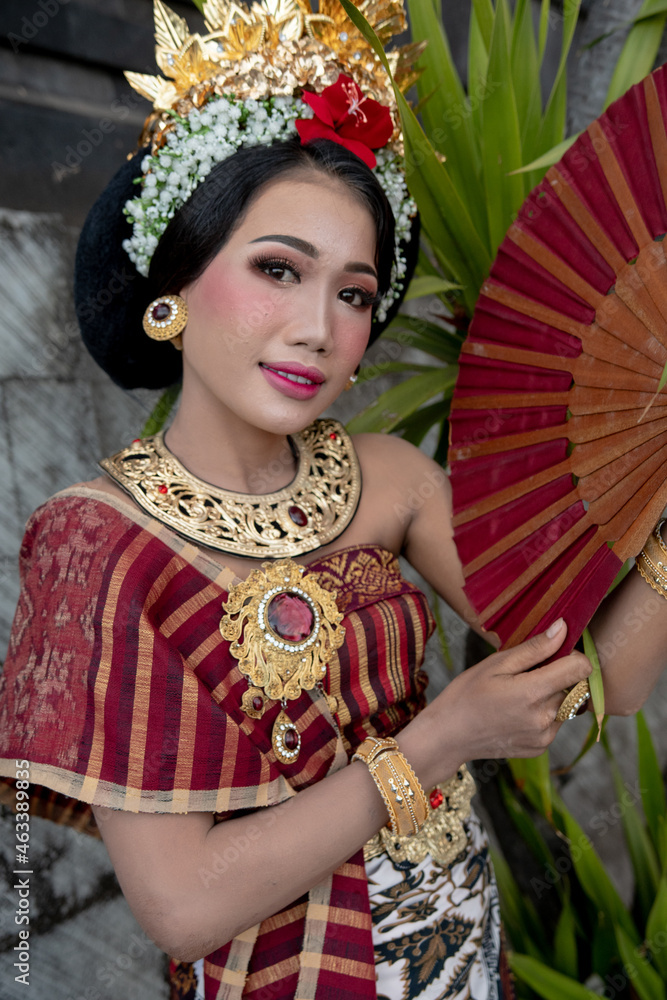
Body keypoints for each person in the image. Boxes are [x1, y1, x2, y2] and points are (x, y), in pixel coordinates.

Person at [1, 3, 666, 999]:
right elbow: (179, 904)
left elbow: (596, 680)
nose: (318, 327)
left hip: (458, 947)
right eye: (278, 269)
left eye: (354, 293)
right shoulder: (98, 542)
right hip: (291, 975)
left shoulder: (388, 475)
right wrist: (437, 740)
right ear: (170, 287)